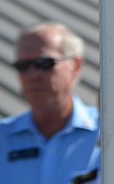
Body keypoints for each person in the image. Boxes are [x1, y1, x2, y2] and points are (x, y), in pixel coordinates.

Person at [0, 22, 100, 183]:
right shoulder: (2, 138)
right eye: (22, 66)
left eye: (44, 63)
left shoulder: (112, 133)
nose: (32, 75)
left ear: (75, 66)